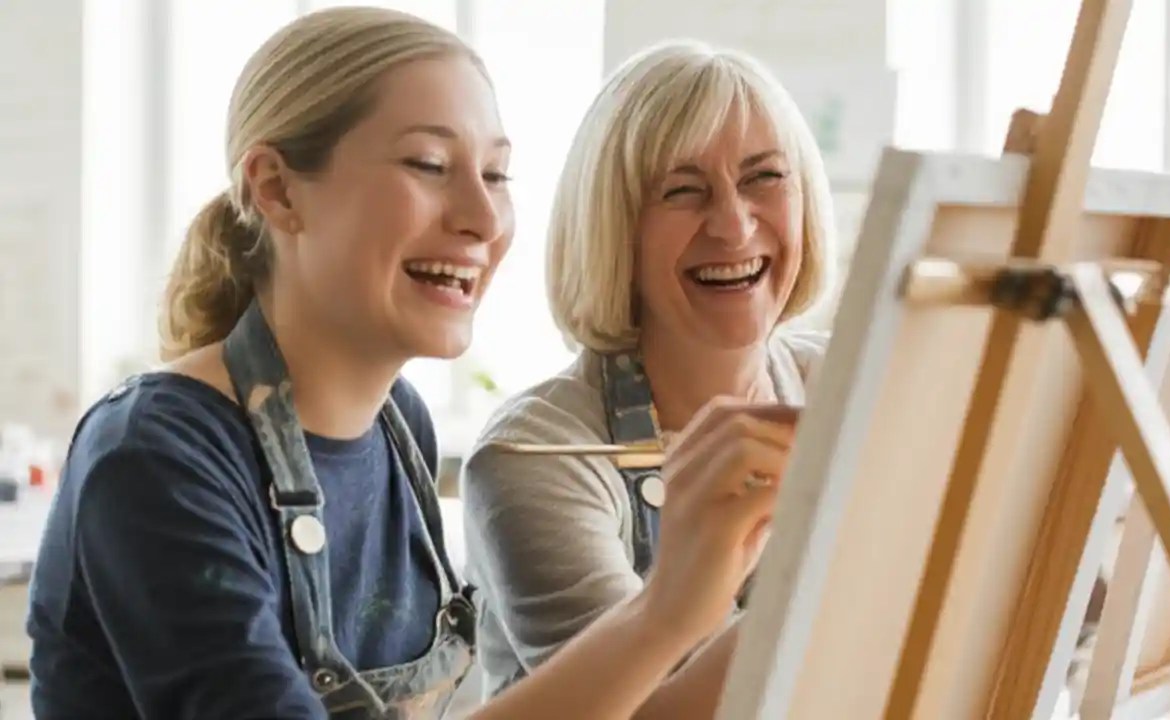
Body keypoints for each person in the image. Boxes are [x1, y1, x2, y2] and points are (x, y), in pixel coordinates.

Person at [24, 8, 797, 719]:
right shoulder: (156, 455)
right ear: (277, 190)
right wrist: (667, 616)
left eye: (495, 174)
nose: (482, 218)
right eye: (429, 165)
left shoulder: (399, 430)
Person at [461, 39, 835, 711]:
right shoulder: (532, 456)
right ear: (616, 229)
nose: (732, 224)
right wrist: (860, 558)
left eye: (764, 178)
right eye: (683, 191)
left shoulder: (841, 381)